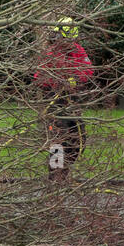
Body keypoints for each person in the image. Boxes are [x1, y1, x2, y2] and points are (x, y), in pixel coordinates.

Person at [33, 17, 94, 181]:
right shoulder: (51, 53)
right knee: (58, 140)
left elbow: (88, 71)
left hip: (73, 102)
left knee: (79, 139)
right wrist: (58, 81)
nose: (58, 38)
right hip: (55, 103)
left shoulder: (78, 51)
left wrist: (74, 78)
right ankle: (55, 177)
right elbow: (39, 78)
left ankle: (65, 170)